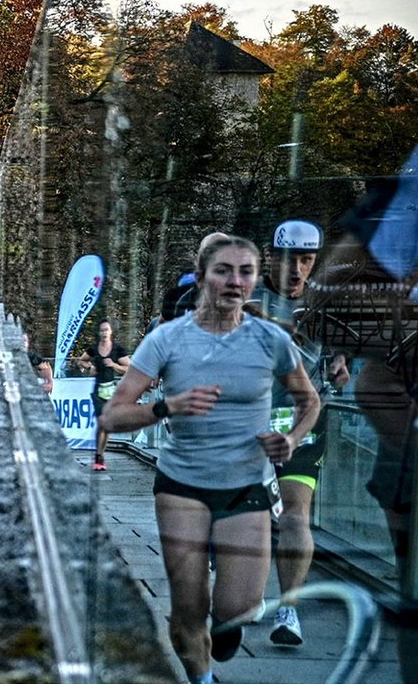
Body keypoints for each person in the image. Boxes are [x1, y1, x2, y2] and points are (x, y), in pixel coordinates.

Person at [100, 235, 320, 684]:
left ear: (255, 281)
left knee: (239, 609)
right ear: (201, 278)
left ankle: (225, 626)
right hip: (182, 486)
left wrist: (292, 439)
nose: (235, 281)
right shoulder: (167, 340)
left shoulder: (271, 339)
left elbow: (310, 401)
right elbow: (113, 415)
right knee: (189, 606)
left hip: (246, 486)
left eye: (245, 272)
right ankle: (201, 679)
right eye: (223, 270)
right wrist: (168, 407)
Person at [254, 219, 350, 646]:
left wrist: (340, 362)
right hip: (247, 424)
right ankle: (245, 587)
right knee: (251, 516)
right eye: (289, 259)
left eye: (306, 260)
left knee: (295, 514)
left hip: (302, 423)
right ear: (271, 256)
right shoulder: (245, 295)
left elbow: (340, 346)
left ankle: (288, 609)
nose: (296, 270)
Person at [74, 321, 129, 471]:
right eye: (102, 330)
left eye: (106, 330)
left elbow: (128, 368)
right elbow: (81, 361)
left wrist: (114, 365)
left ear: (111, 332)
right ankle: (98, 457)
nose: (104, 333)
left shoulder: (117, 349)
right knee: (101, 422)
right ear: (99, 333)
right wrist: (90, 367)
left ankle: (101, 454)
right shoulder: (94, 348)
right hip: (97, 390)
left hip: (111, 390)